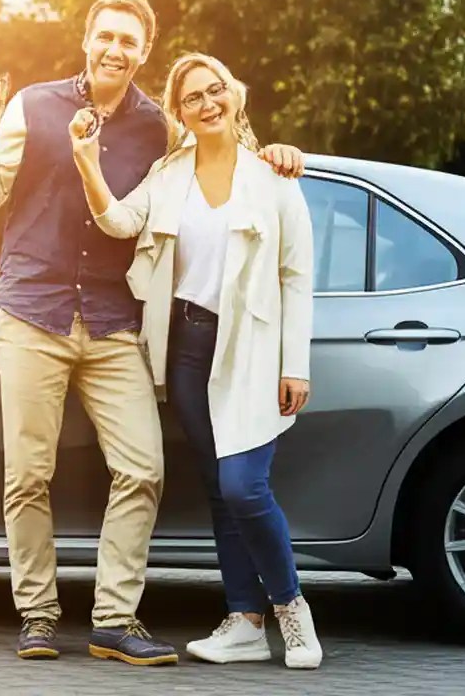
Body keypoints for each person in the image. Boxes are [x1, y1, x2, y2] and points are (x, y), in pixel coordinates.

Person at [0, 0, 304, 664]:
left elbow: (220, 154)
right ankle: (37, 615)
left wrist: (276, 154)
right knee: (29, 474)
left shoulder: (160, 127)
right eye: (107, 37)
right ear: (86, 40)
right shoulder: (31, 106)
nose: (116, 50)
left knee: (143, 469)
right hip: (32, 313)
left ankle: (114, 619)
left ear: (143, 54)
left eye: (130, 42)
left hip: (116, 323)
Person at [82, 51, 322, 669]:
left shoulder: (273, 176)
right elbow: (117, 220)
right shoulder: (168, 175)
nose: (207, 103)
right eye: (192, 98)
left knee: (246, 487)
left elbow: (297, 276)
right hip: (186, 346)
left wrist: (294, 364)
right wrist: (87, 162)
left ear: (235, 95)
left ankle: (293, 615)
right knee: (219, 489)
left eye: (216, 90)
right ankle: (243, 622)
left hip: (252, 349)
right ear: (178, 112)